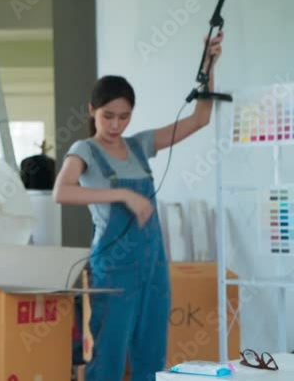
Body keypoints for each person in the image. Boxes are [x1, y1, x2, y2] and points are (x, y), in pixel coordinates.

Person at [53, 33, 224, 381]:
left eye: (124, 117)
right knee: (110, 357)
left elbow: (200, 118)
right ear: (92, 111)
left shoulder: (138, 145)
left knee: (151, 356)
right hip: (113, 268)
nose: (116, 125)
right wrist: (122, 195)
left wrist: (208, 64)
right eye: (108, 116)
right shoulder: (84, 149)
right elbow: (62, 192)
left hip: (153, 266)